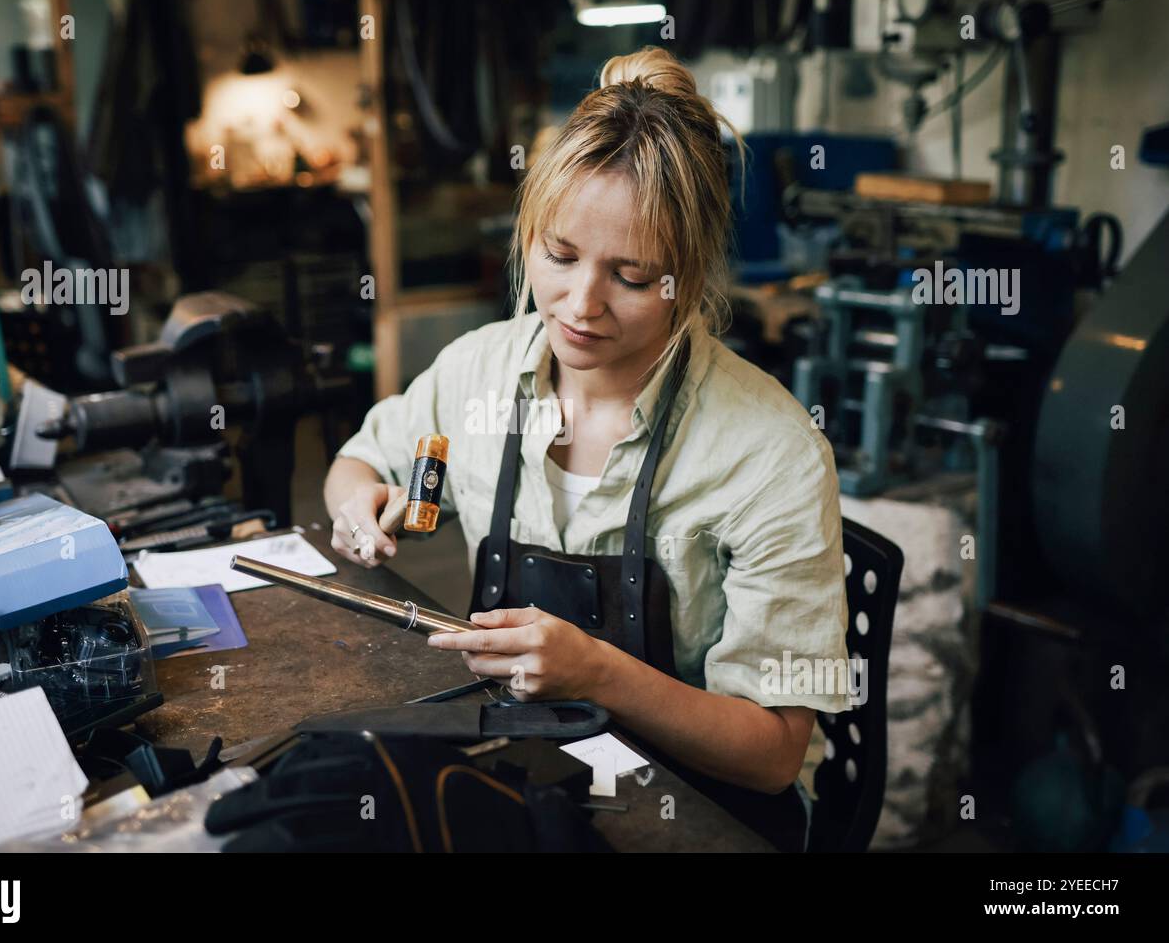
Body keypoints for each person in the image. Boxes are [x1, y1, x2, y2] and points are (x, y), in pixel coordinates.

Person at [324, 46, 850, 851]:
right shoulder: (483, 368)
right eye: (558, 256)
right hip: (523, 760)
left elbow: (776, 753)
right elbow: (359, 464)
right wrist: (358, 509)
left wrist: (597, 672)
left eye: (633, 277)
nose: (578, 305)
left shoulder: (769, 453)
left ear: (690, 272)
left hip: (705, 804)